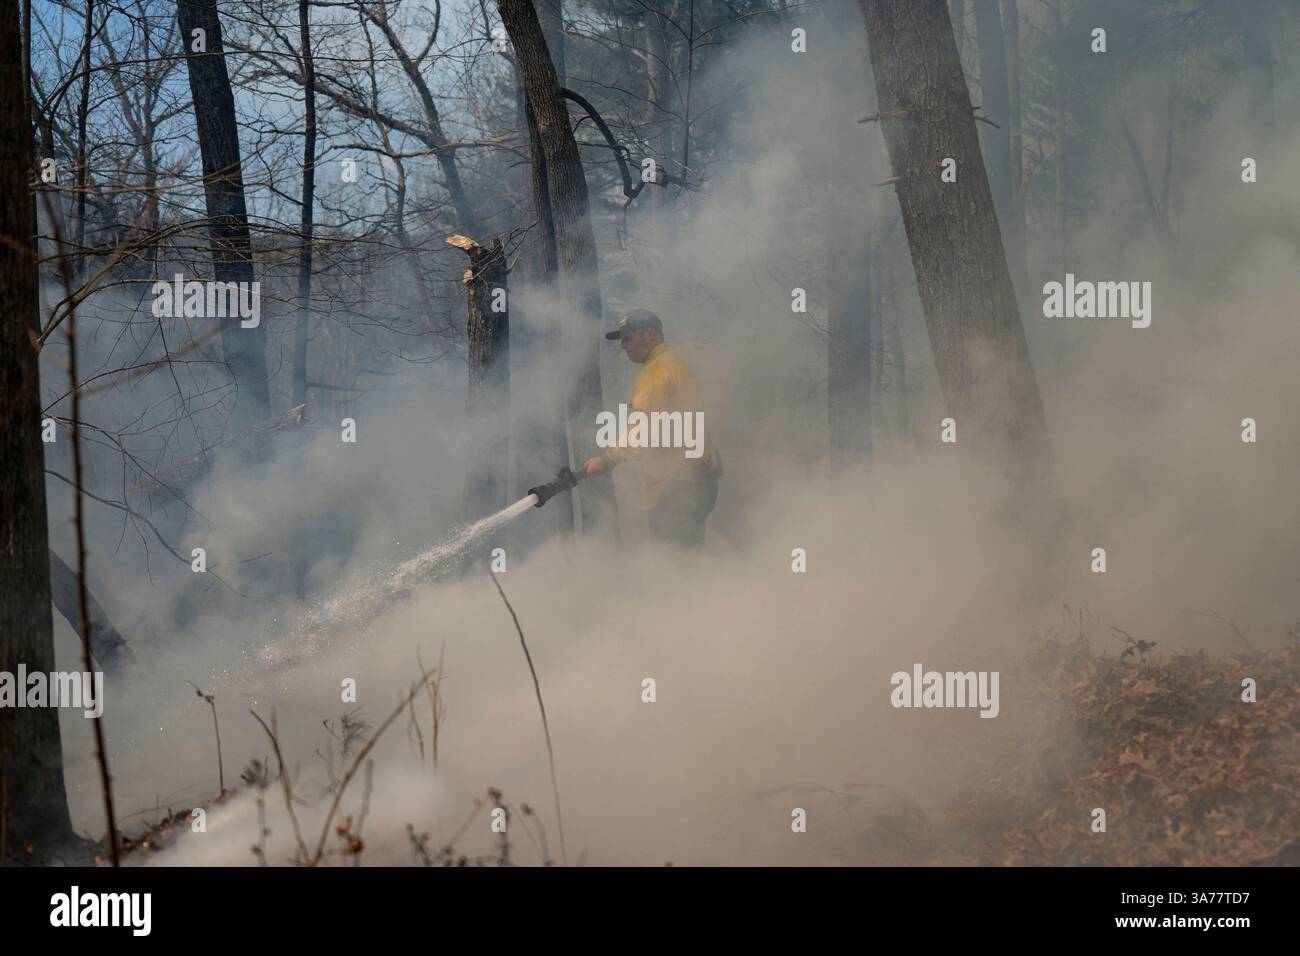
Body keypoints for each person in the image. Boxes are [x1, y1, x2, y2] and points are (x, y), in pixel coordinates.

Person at [582, 309, 722, 547]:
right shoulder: (676, 365)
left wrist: (608, 459)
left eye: (628, 338)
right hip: (698, 480)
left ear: (649, 334)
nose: (623, 346)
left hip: (676, 485)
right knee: (688, 560)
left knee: (674, 563)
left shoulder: (656, 371)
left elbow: (646, 429)